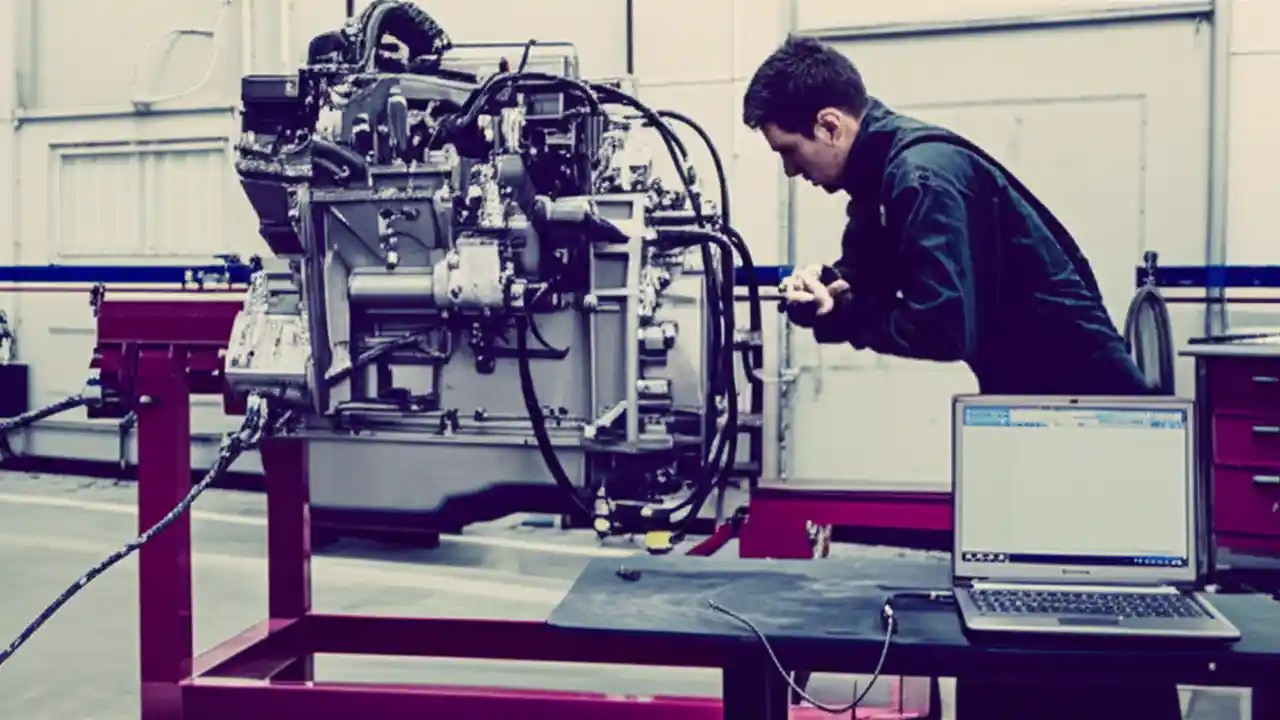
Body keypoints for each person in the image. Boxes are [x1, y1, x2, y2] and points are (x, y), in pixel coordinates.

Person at [741, 36, 1176, 719]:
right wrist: (826, 294)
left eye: (789, 152)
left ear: (830, 125)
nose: (792, 172)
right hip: (1033, 420)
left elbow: (943, 326)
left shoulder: (922, 176)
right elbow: (867, 278)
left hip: (1094, 431)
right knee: (1007, 638)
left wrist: (850, 313)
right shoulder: (878, 182)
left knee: (1100, 658)